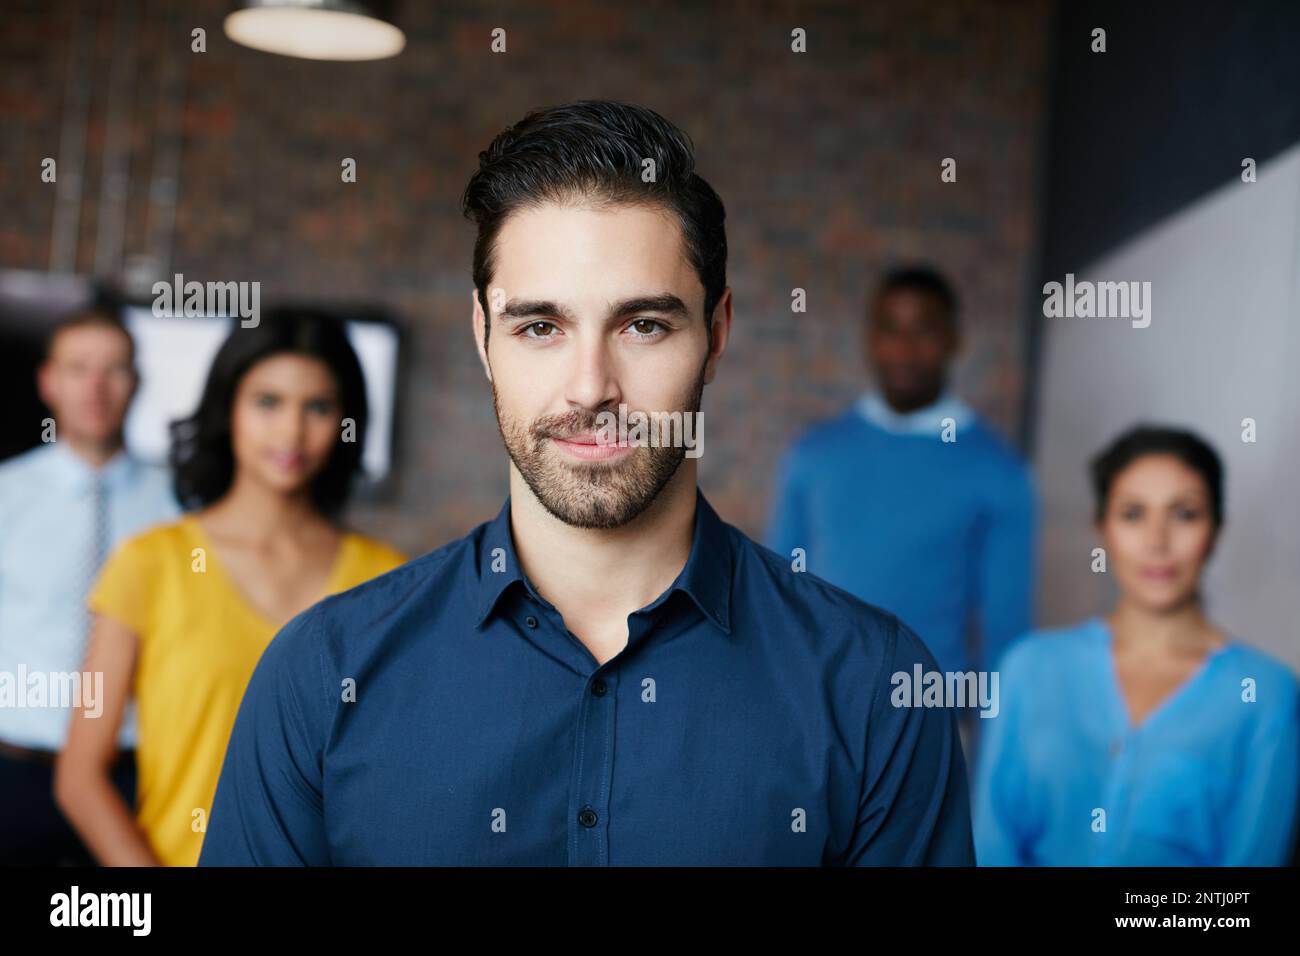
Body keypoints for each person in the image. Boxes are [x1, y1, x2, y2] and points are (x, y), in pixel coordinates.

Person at [198, 100, 973, 867]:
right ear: (484, 338)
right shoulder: (321, 674)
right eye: (541, 327)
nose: (591, 388)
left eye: (644, 325)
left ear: (718, 333)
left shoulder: (878, 690)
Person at [54, 308, 408, 866]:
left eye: (317, 407)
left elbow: (392, 780)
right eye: (268, 402)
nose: (292, 431)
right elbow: (80, 777)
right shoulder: (150, 564)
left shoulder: (388, 582)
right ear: (229, 408)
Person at [973, 426, 1299, 865]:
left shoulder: (1266, 694)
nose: (1157, 542)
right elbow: (988, 843)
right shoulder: (1029, 667)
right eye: (1133, 514)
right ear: (1101, 527)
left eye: (1184, 514)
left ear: (1216, 529)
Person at [766, 266, 1036, 683]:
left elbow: (1004, 631)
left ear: (953, 341)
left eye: (923, 330)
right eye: (890, 329)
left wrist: (992, 744)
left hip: (927, 717)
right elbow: (777, 597)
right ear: (870, 340)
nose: (904, 349)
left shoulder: (997, 471)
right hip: (815, 709)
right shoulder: (813, 454)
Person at [0, 306, 177, 864]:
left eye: (114, 369)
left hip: (135, 774)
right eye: (78, 369)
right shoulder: (6, 494)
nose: (96, 388)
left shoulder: (184, 505)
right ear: (48, 382)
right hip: (14, 773)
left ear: (138, 382)